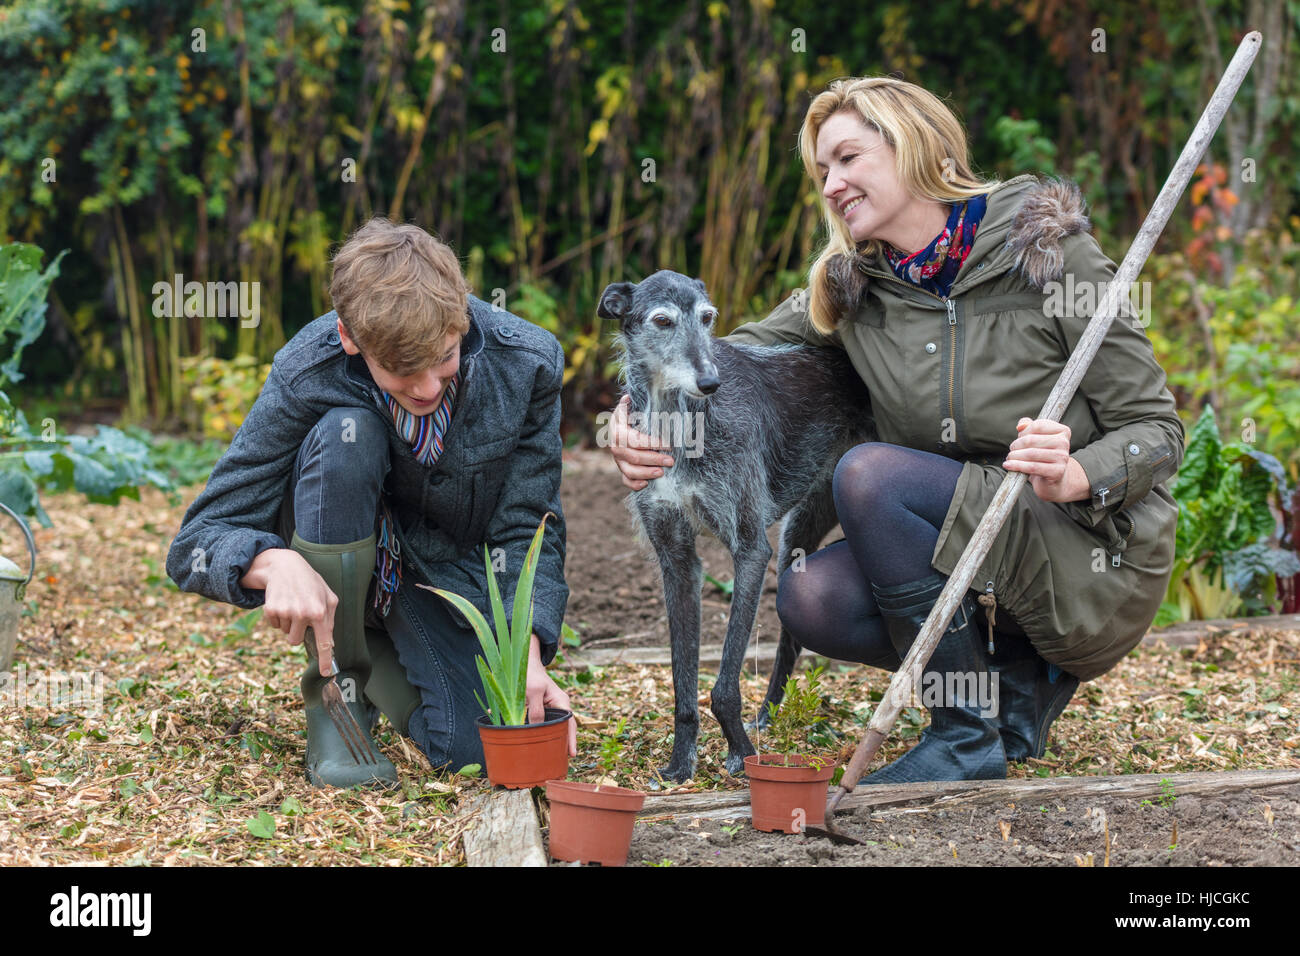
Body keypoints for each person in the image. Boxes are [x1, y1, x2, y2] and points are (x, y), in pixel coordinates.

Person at [607, 76, 1183, 783]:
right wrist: (627, 421)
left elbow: (1157, 428)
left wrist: (1078, 473)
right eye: (822, 170)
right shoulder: (852, 289)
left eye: (848, 158)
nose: (831, 183)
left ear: (913, 144)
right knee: (808, 596)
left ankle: (963, 736)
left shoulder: (1051, 257)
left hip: (1081, 543)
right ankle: (1008, 687)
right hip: (967, 547)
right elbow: (723, 356)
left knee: (868, 474)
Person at [167, 217, 576, 788]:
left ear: (463, 316)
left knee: (476, 752)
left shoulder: (527, 362)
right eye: (403, 372)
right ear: (349, 339)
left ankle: (384, 651)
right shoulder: (308, 369)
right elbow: (196, 544)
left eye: (445, 358)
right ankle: (337, 696)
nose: (429, 387)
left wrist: (524, 653)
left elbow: (527, 525)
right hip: (331, 538)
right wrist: (272, 561)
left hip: (438, 575)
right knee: (346, 433)